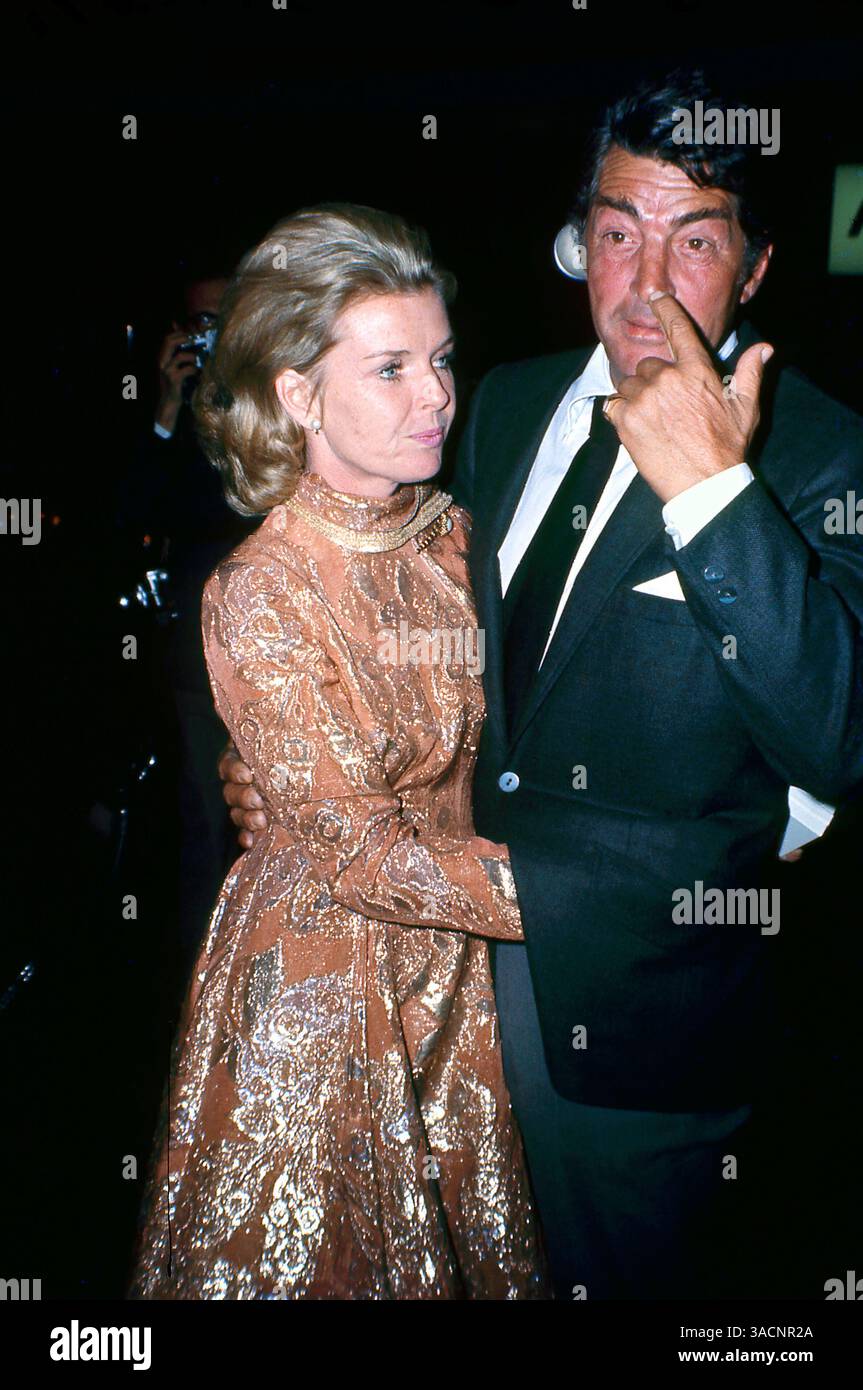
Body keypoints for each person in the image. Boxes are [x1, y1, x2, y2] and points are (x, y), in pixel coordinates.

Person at [222, 73, 863, 1299]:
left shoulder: (821, 451)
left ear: (757, 266)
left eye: (695, 239)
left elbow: (834, 739)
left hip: (634, 1023)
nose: (646, 281)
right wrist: (292, 743)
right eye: (616, 232)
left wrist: (710, 495)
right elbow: (399, 610)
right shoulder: (498, 405)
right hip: (426, 987)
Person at [127, 204, 549, 1300]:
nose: (438, 397)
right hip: (330, 985)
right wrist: (590, 894)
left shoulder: (460, 533)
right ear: (297, 393)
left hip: (476, 968)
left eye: (442, 360)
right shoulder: (261, 589)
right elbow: (361, 856)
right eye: (393, 368)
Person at [116, 269, 257, 963]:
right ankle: (205, 989)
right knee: (207, 819)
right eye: (195, 322)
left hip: (274, 639)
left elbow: (242, 505)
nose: (206, 335)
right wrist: (168, 404)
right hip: (197, 655)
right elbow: (138, 509)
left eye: (218, 320)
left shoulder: (268, 389)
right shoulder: (186, 403)